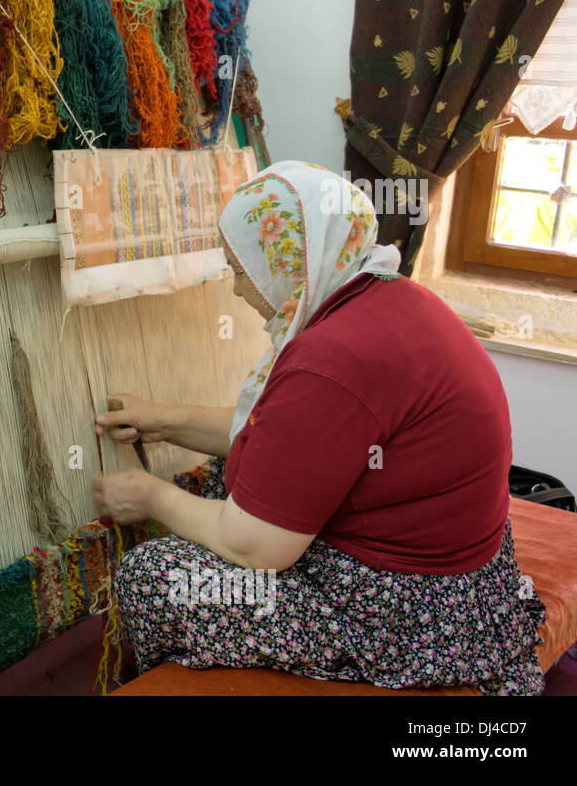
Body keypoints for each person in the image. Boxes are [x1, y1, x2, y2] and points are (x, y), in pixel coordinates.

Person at [92, 160, 546, 695]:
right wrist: (165, 422)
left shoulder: (330, 358)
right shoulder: (387, 296)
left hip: (405, 613)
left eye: (242, 270)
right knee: (228, 477)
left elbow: (257, 547)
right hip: (468, 580)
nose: (237, 290)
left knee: (152, 579)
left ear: (289, 262)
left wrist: (149, 497)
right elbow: (289, 440)